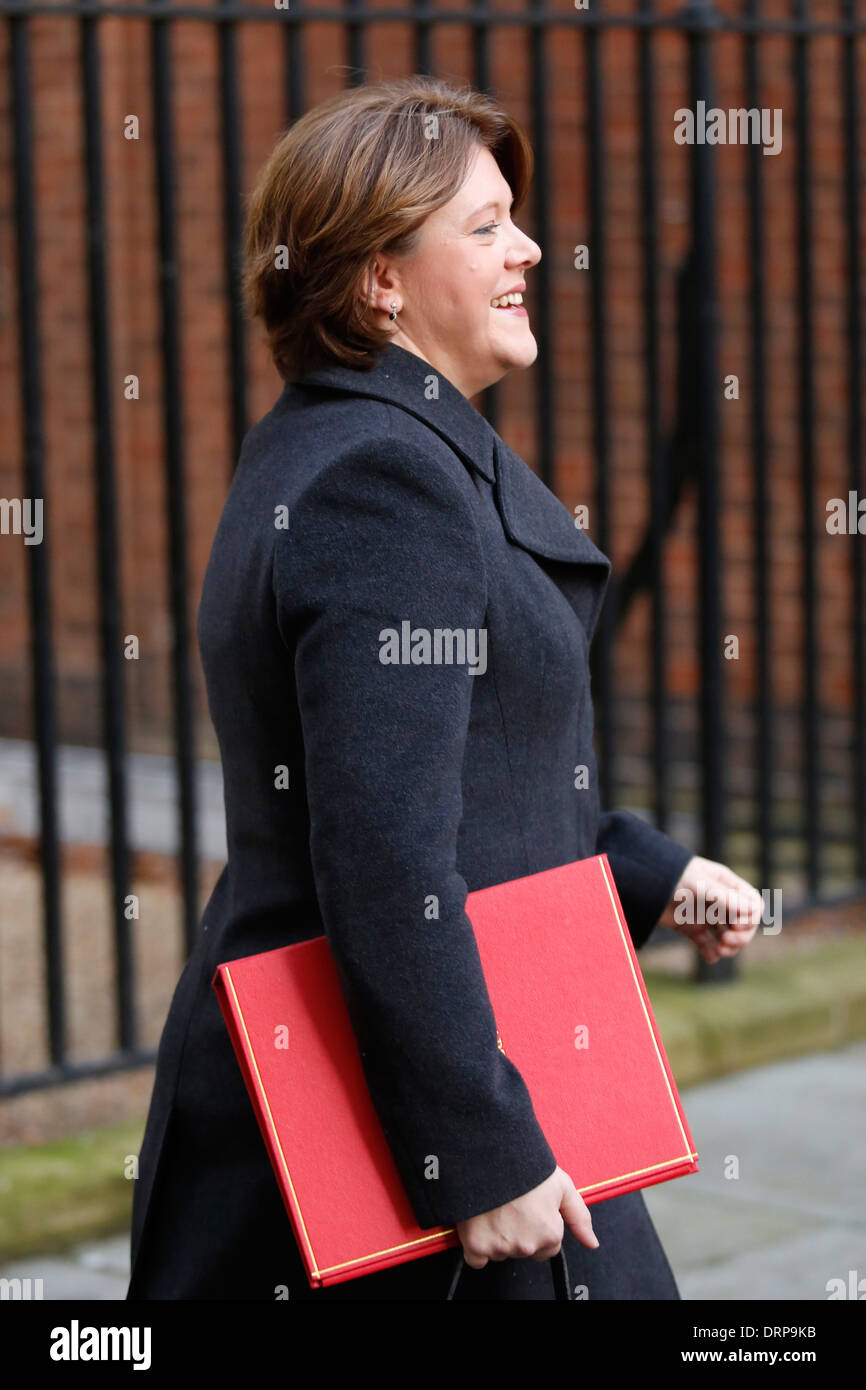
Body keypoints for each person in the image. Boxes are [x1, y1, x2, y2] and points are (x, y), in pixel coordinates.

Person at [126, 75, 762, 1302]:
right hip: (407, 1126)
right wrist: (473, 1151)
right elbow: (377, 847)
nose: (527, 247)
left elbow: (462, 772)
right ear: (378, 278)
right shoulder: (384, 481)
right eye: (484, 226)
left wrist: (641, 868)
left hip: (439, 1064)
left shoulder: (356, 445)